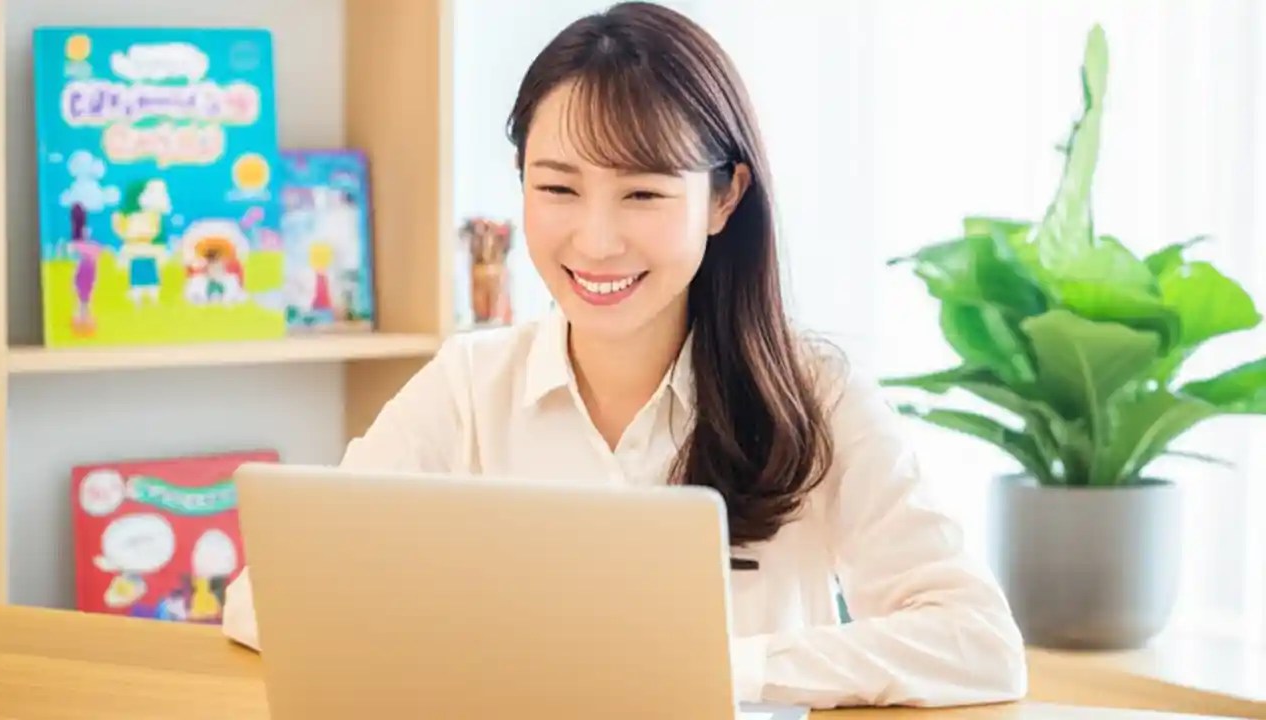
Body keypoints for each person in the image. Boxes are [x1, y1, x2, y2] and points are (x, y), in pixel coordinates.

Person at [222, 1, 1027, 710]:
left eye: (642, 193)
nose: (595, 242)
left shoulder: (815, 392)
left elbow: (975, 641)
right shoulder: (470, 384)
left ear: (723, 197)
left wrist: (716, 669)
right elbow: (268, 599)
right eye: (558, 189)